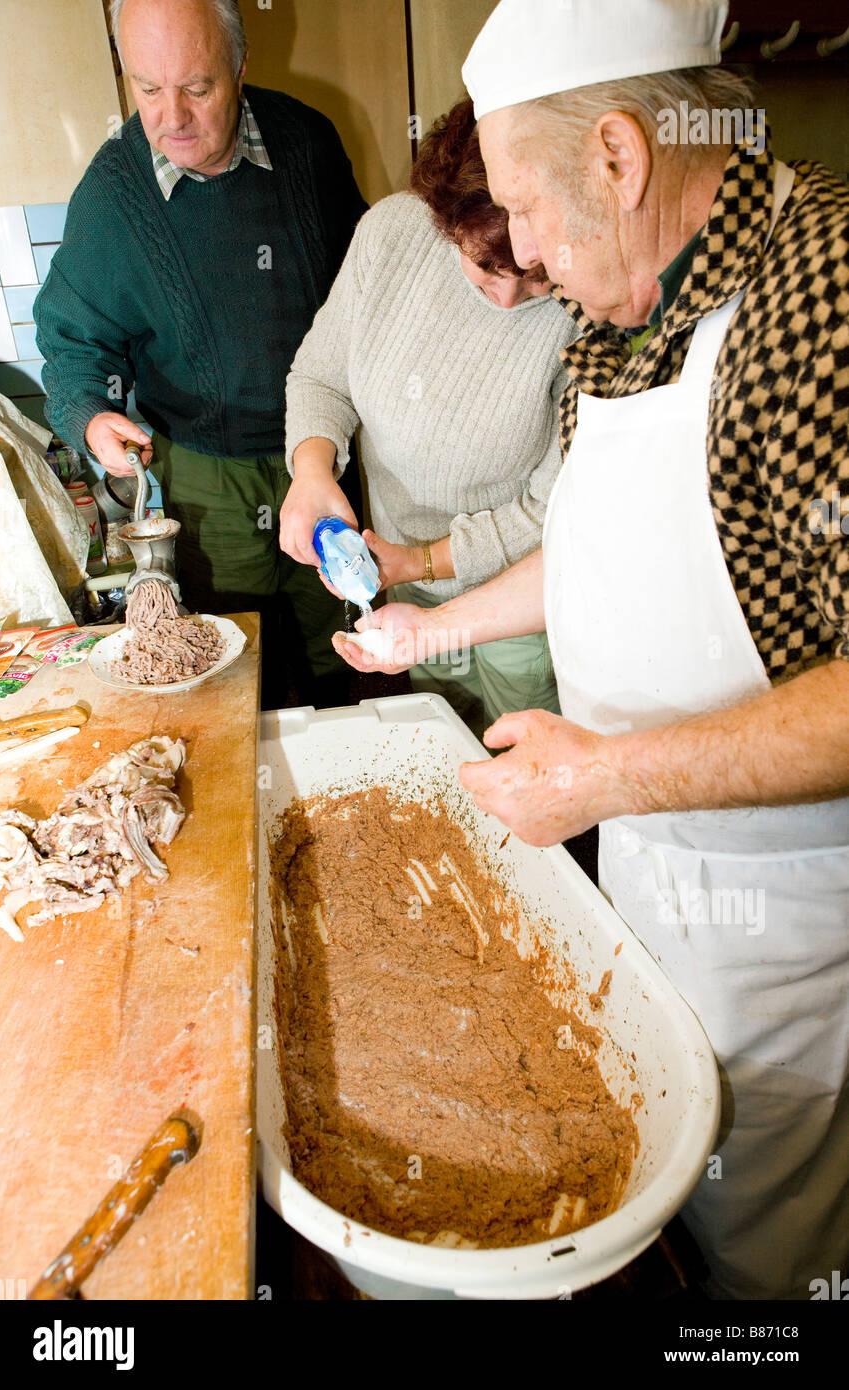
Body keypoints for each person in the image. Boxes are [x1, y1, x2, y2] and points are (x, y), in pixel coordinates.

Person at [335, 0, 849, 1301]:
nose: (515, 245)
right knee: (652, 1200)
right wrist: (432, 626)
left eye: (522, 201)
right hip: (642, 859)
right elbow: (603, 549)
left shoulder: (823, 296)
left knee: (761, 1246)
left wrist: (605, 777)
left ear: (618, 157)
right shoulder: (612, 308)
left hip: (789, 915)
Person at [35, 0, 367, 707]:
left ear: (240, 66)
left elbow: (367, 289)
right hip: (207, 481)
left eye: (198, 87)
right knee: (238, 665)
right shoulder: (111, 195)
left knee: (346, 643)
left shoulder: (308, 142)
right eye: (148, 89)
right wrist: (92, 417)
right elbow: (69, 343)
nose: (172, 118)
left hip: (323, 450)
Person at [279, 98, 578, 735]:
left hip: (520, 599)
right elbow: (321, 375)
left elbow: (551, 511)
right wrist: (311, 473)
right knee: (449, 743)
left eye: (536, 276)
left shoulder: (589, 301)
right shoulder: (391, 234)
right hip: (406, 583)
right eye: (487, 267)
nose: (507, 296)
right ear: (445, 224)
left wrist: (420, 561)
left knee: (527, 762)